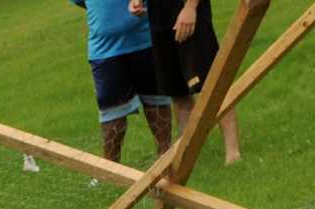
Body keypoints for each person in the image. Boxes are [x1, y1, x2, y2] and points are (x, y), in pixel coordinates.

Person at [129, 0, 240, 164]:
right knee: (178, 92)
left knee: (214, 83)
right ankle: (188, 155)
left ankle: (233, 152)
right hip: (159, 21)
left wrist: (190, 8)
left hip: (190, 16)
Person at [71, 0, 172, 165]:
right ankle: (109, 170)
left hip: (144, 40)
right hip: (104, 51)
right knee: (112, 115)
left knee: (156, 102)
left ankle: (167, 159)